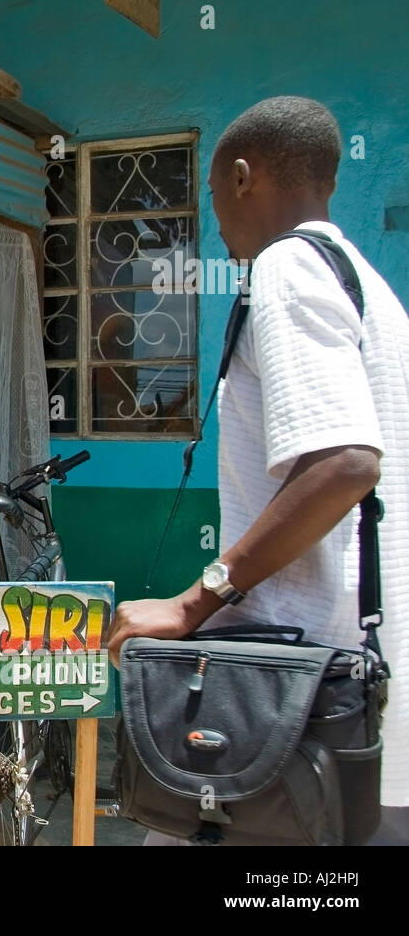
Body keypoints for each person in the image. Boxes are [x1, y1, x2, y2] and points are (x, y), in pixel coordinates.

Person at [105, 96, 408, 844]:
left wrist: (194, 602)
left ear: (243, 177)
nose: (215, 222)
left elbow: (345, 463)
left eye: (213, 195)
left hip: (288, 694)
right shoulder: (372, 289)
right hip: (356, 693)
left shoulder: (287, 266)